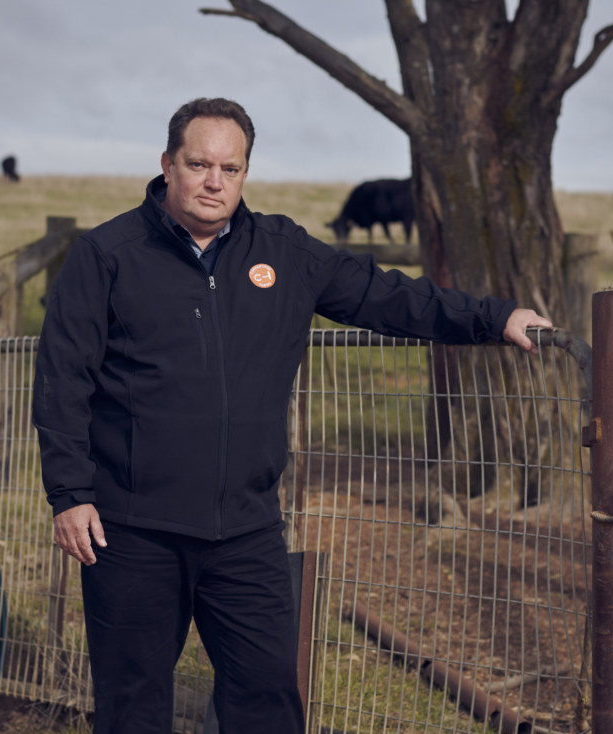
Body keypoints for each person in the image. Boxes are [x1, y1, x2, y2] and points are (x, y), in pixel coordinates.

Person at [31, 97, 553, 733]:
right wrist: (70, 493)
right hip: (134, 529)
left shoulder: (284, 251)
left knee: (268, 702)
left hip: (245, 533)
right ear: (168, 164)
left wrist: (493, 318)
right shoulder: (107, 255)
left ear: (246, 172)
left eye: (231, 167)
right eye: (198, 164)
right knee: (132, 705)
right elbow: (64, 379)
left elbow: (388, 296)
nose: (213, 180)